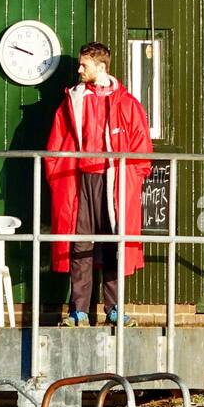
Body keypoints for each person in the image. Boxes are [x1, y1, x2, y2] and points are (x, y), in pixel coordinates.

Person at [44, 41, 152, 326]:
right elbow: (56, 146)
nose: (79, 69)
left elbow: (142, 150)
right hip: (79, 181)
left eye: (84, 65)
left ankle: (114, 309)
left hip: (115, 182)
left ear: (101, 66)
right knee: (80, 245)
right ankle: (78, 311)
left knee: (116, 243)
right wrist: (58, 177)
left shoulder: (128, 104)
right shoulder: (73, 100)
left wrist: (132, 180)